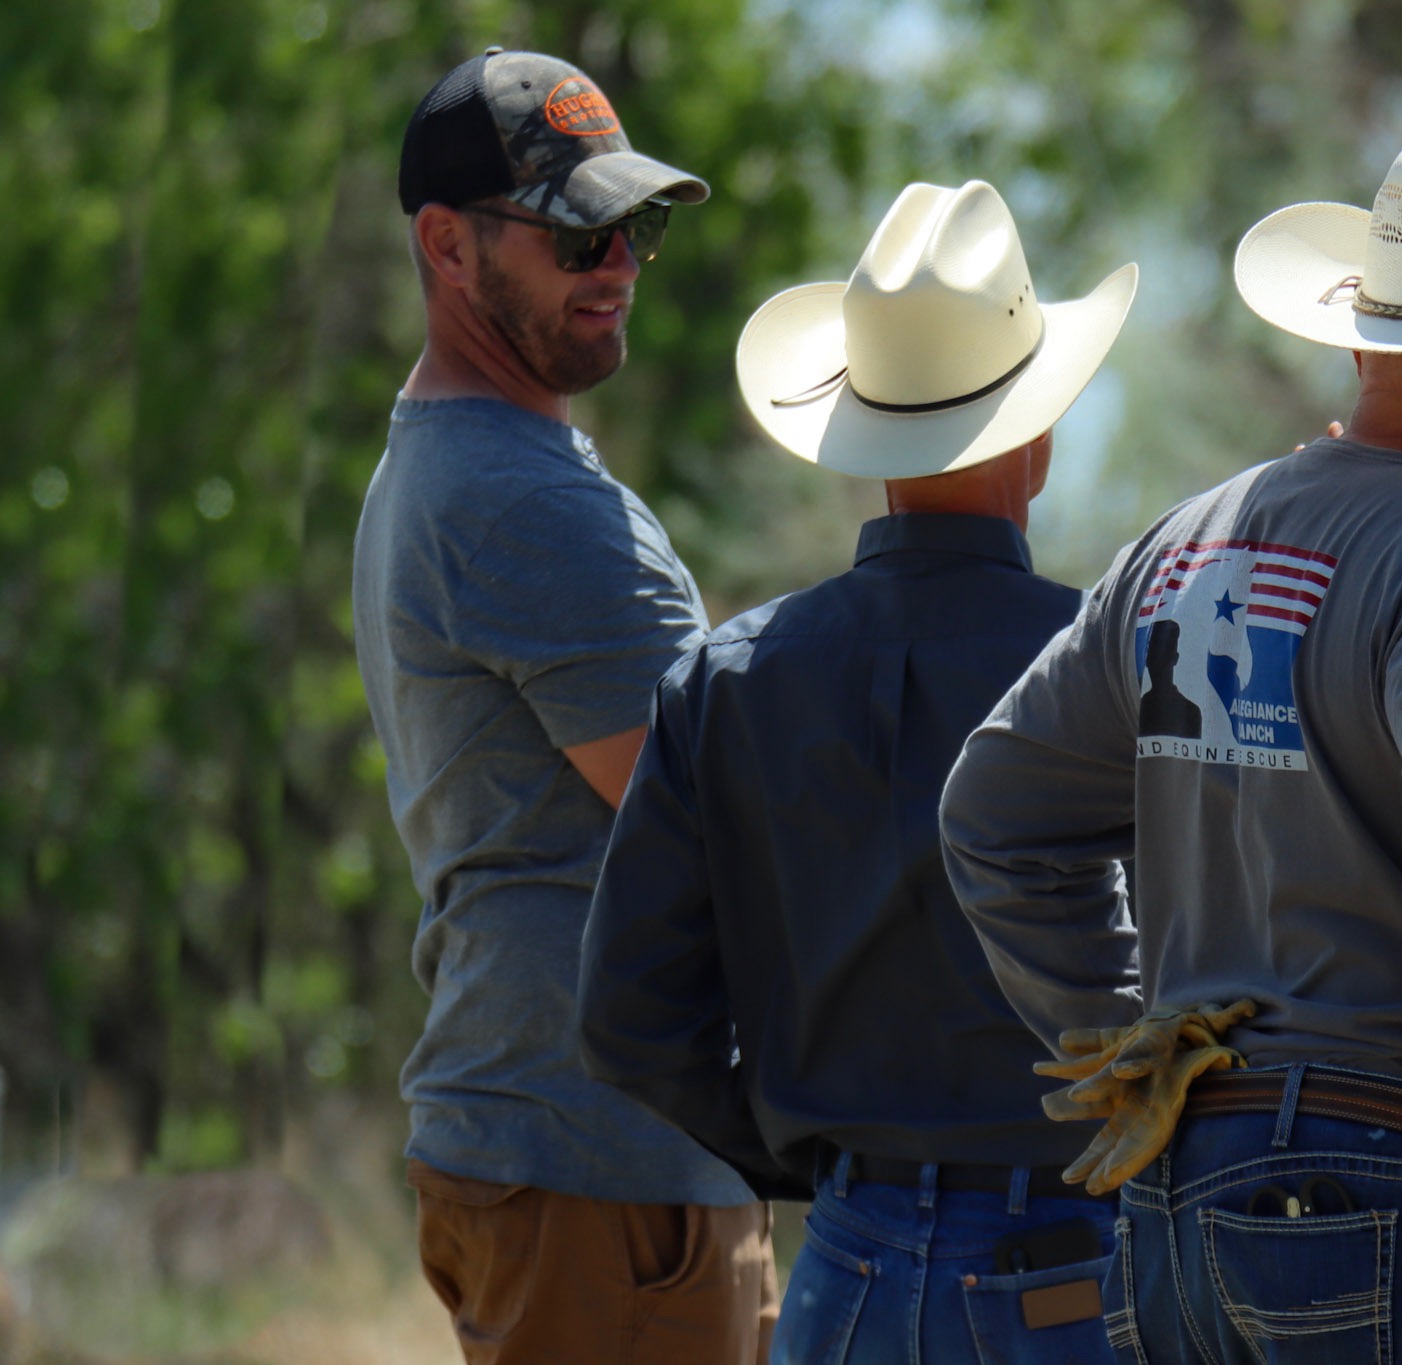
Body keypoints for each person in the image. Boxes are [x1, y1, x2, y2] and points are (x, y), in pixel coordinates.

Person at [940, 125, 1402, 1362]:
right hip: (1401, 1197)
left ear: (1361, 342)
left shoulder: (1182, 548)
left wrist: (1159, 1056)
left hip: (1178, 1216)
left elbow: (990, 820)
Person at [577, 180, 1139, 1364]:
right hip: (1072, 1265)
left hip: (845, 1263)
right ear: (1038, 440)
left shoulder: (725, 678)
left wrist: (815, 1151)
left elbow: (629, 1018)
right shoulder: (1112, 663)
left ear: (863, 437)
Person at [352, 48, 775, 1364]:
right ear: (447, 245)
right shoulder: (520, 498)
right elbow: (723, 819)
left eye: (635, 227)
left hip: (573, 1153)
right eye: (580, 234)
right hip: (602, 1168)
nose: (622, 266)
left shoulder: (452, 460)